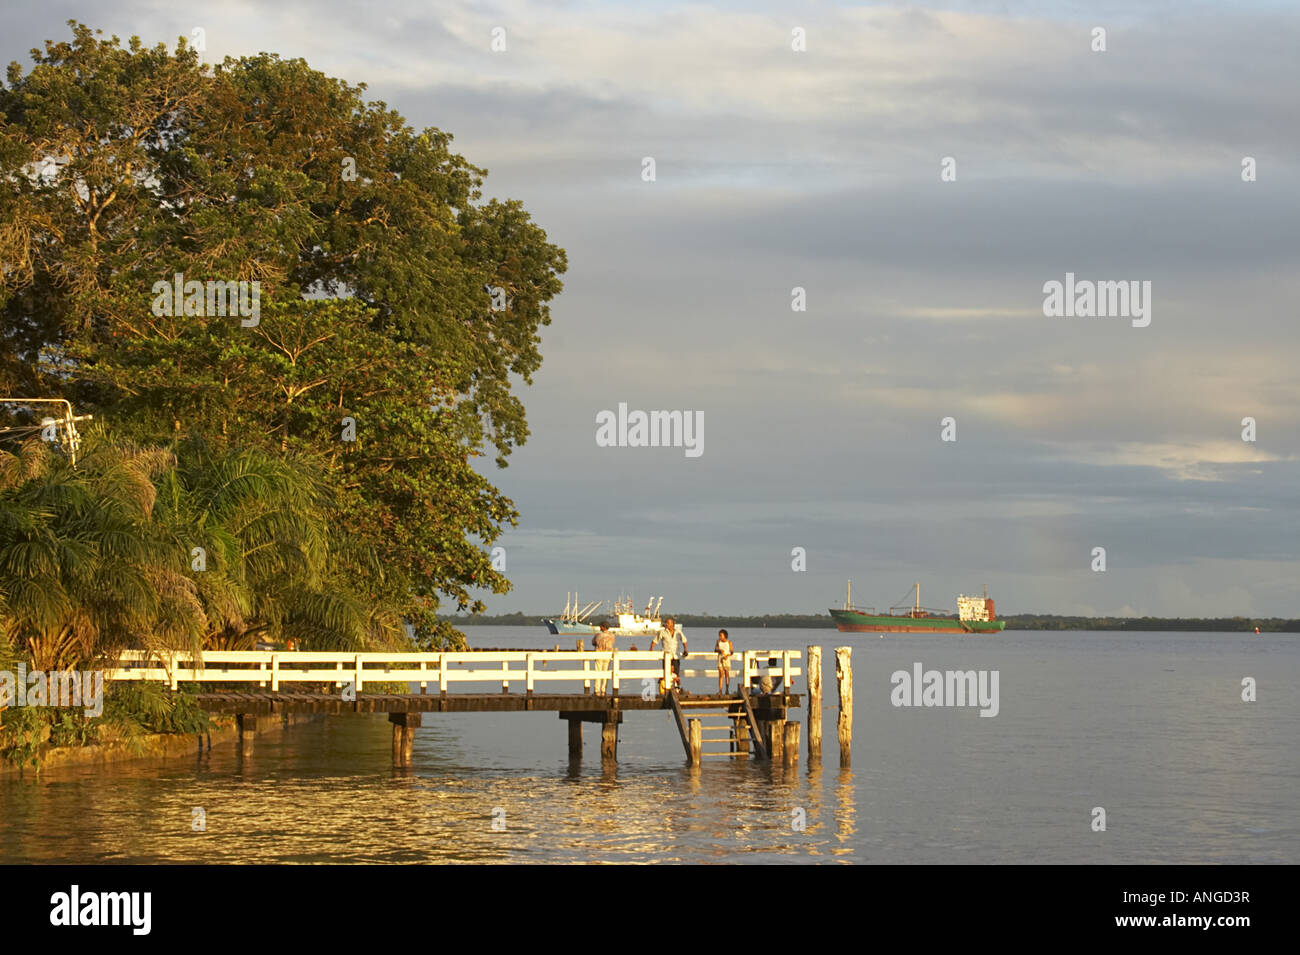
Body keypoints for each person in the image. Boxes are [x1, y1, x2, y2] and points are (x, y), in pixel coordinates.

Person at [650, 616, 687, 691]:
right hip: (666, 656)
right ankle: (666, 688)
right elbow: (655, 641)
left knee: (676, 673)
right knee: (667, 672)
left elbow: (684, 640)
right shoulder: (662, 632)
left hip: (675, 656)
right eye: (666, 623)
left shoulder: (678, 632)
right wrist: (651, 649)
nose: (667, 624)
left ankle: (676, 689)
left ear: (673, 624)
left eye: (668, 623)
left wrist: (685, 649)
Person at [592, 621, 615, 696]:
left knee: (598, 672)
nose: (599, 627)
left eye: (601, 626)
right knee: (605, 672)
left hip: (599, 654)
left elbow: (593, 642)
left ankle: (597, 690)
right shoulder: (612, 636)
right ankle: (603, 689)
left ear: (603, 627)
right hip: (608, 655)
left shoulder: (598, 635)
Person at [714, 629, 733, 695]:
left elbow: (732, 651)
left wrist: (727, 655)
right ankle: (720, 690)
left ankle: (727, 690)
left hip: (726, 658)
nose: (720, 637)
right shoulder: (718, 641)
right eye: (719, 635)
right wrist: (719, 650)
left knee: (727, 674)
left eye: (721, 635)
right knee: (721, 674)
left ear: (725, 635)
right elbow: (715, 649)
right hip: (720, 658)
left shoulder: (729, 642)